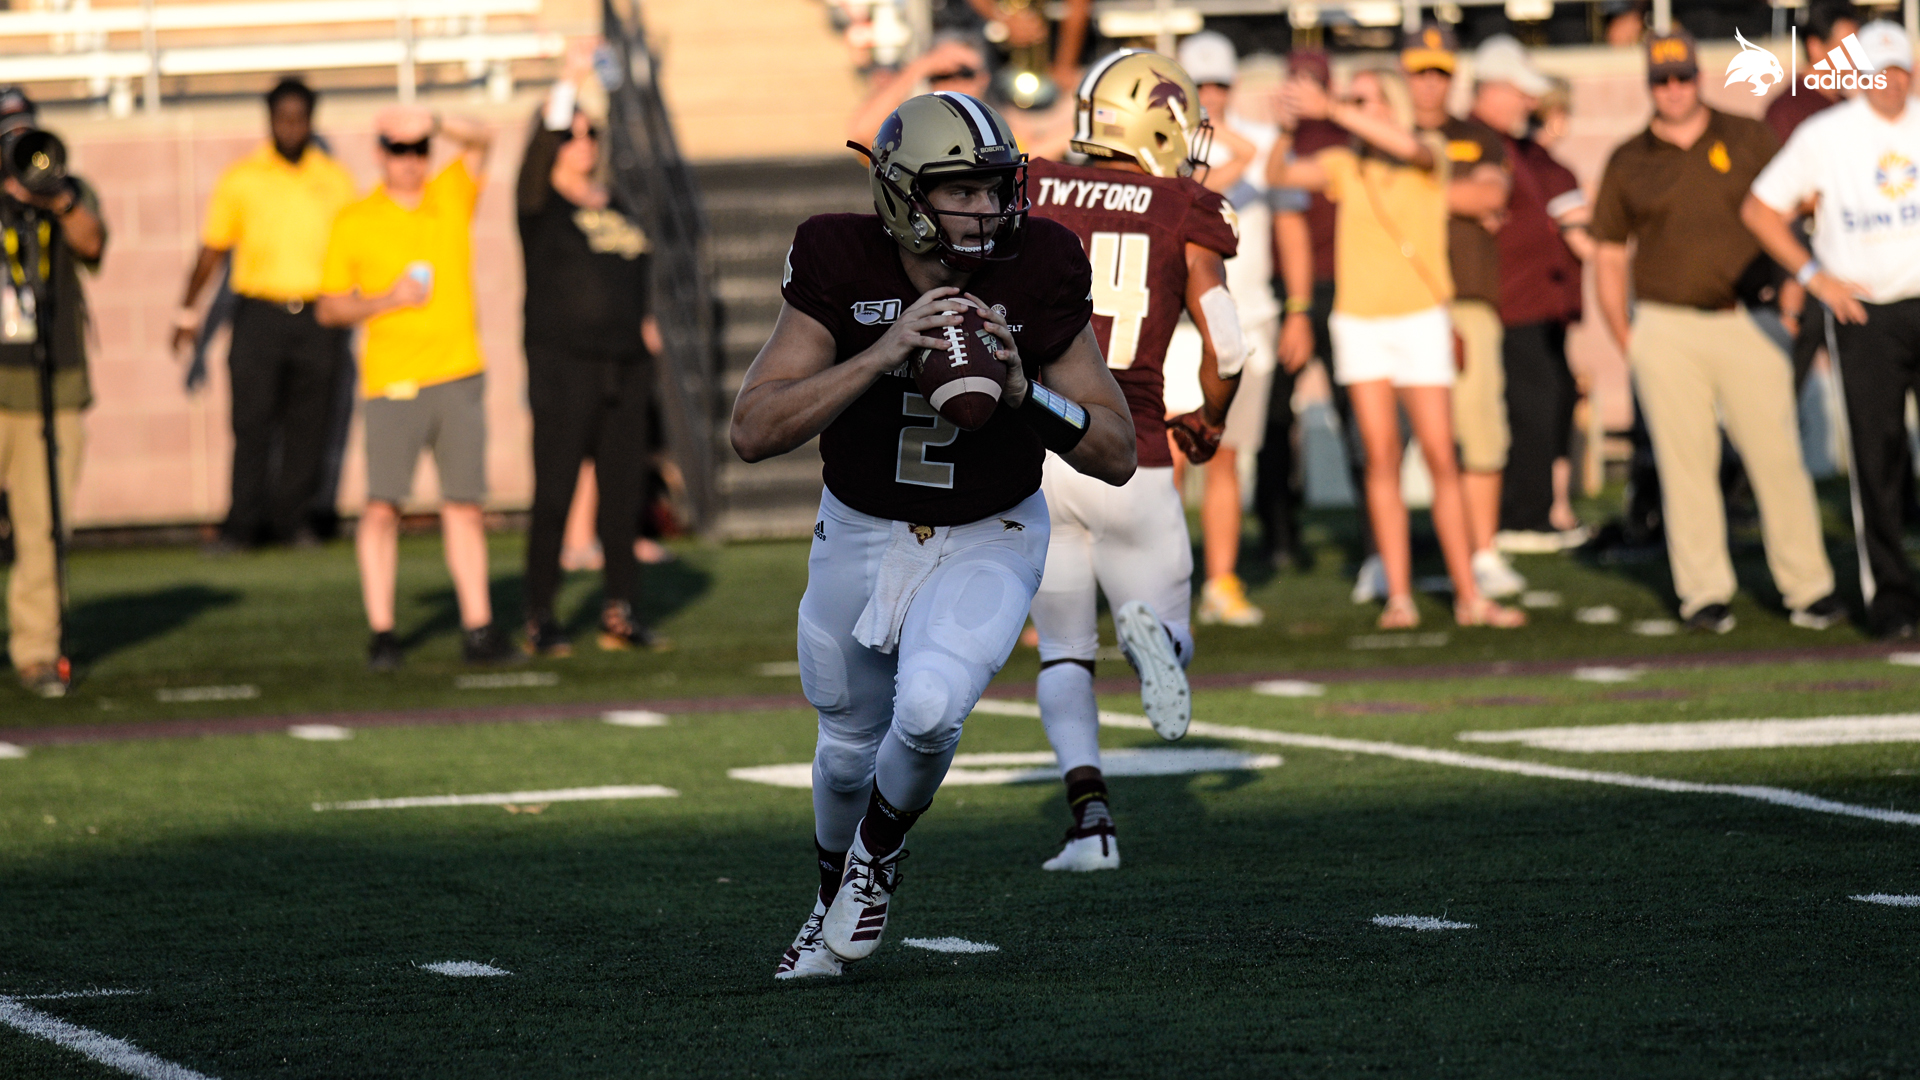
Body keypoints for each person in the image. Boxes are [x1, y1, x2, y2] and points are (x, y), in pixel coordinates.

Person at [732, 91, 1134, 978]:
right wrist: (879, 355)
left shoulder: (1042, 266)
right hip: (862, 527)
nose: (991, 209)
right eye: (965, 191)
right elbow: (752, 431)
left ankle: (876, 860)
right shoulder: (839, 258)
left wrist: (1030, 392)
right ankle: (831, 890)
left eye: (998, 189)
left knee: (928, 710)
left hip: (990, 529)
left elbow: (1116, 453)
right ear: (902, 195)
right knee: (844, 748)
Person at [1025, 48, 1241, 872]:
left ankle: (1090, 826)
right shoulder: (1182, 205)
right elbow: (1229, 341)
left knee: (1062, 652)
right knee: (1170, 628)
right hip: (1135, 450)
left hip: (1043, 452)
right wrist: (1210, 419)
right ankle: (1157, 641)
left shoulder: (1036, 187)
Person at [1590, 30, 1841, 634]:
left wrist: (1789, 295)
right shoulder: (1629, 158)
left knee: (1776, 458)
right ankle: (1703, 591)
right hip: (1667, 326)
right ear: (1649, 85)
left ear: (1698, 77)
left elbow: (1794, 210)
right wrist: (1629, 339)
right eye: (1661, 79)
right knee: (1686, 467)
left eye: (1681, 77)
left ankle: (1808, 587)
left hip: (1746, 319)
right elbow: (1607, 255)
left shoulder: (1747, 136)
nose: (1672, 89)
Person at [1271, 67, 1525, 631]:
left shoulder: (1428, 149)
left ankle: (1468, 594)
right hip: (1359, 322)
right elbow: (1279, 174)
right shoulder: (1344, 162)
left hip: (1420, 319)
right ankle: (1400, 595)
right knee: (1380, 458)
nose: (1354, 106)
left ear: (1391, 105)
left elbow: (1410, 147)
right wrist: (1287, 128)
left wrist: (1332, 108)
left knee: (1440, 454)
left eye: (1366, 99)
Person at [317, 106, 515, 669]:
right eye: (398, 149)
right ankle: (383, 631)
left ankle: (478, 627)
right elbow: (329, 307)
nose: (410, 161)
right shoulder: (354, 218)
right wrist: (387, 300)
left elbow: (483, 138)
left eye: (418, 149)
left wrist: (433, 119)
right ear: (379, 153)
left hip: (457, 374)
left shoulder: (449, 194)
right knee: (382, 507)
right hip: (393, 382)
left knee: (465, 507)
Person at [1744, 20, 1920, 639]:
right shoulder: (1827, 135)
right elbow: (1760, 209)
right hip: (1864, 312)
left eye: (1899, 71)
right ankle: (1893, 599)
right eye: (1878, 72)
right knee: (1877, 455)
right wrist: (1816, 277)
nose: (1890, 84)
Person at [518, 46, 668, 657]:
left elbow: (636, 270)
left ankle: (619, 610)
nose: (582, 141)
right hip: (564, 365)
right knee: (555, 492)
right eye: (571, 133)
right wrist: (570, 80)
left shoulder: (615, 200)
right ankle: (539, 616)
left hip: (626, 367)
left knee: (622, 491)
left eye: (590, 132)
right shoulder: (538, 204)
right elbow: (539, 149)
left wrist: (647, 322)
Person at [176, 78, 358, 553]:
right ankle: (242, 526)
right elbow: (213, 250)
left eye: (299, 119)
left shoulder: (335, 179)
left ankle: (293, 522)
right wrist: (186, 311)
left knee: (309, 424)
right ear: (270, 120)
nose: (291, 128)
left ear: (311, 121)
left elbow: (358, 251)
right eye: (283, 118)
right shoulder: (243, 178)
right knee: (252, 423)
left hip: (318, 316)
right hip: (258, 315)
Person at [1404, 25, 1529, 601]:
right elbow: (1469, 196)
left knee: (1480, 430)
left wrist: (1415, 188)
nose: (1428, 84)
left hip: (1469, 300)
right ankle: (1391, 559)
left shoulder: (1477, 136)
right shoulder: (1385, 133)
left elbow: (1491, 195)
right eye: (1419, 72)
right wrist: (1455, 194)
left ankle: (1483, 550)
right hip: (1397, 304)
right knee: (1391, 441)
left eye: (1439, 73)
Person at [1160, 31, 1272, 629]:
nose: (1209, 96)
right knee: (1170, 461)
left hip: (1230, 319)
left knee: (1223, 456)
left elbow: (1247, 156)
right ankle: (1169, 579)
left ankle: (1221, 579)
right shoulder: (1158, 149)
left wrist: (1202, 121)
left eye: (1218, 86)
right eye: (1197, 88)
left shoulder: (1242, 139)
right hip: (1173, 325)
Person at [0, 87, 106, 698]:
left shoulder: (64, 186)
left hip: (54, 384)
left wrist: (56, 199)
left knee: (43, 528)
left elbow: (93, 246)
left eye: (26, 135)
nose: (20, 150)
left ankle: (37, 650)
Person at [1470, 51, 1591, 552]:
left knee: (1544, 403)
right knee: (1526, 409)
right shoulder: (1477, 139)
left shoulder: (1517, 146)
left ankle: (1535, 510)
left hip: (1533, 302)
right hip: (1506, 302)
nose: (1529, 103)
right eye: (1520, 92)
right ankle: (1523, 515)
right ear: (1493, 88)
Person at [1267, 49, 1368, 587]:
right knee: (1275, 420)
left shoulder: (1345, 137)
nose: (1301, 91)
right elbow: (1279, 191)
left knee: (1360, 416)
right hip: (1291, 293)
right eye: (1295, 81)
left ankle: (1376, 539)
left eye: (1312, 83)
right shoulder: (1283, 142)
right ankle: (1279, 534)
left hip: (1344, 289)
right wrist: (1297, 308)